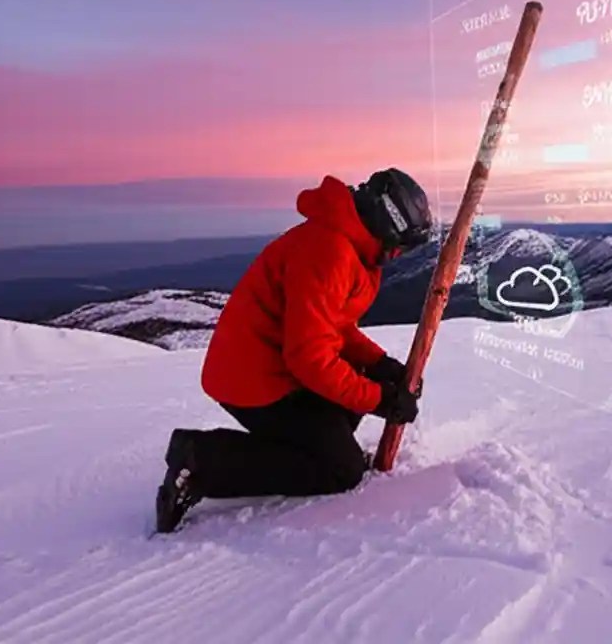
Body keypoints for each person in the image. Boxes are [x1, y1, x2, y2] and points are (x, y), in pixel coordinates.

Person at [155, 168, 434, 534]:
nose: (399, 255)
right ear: (389, 223)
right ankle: (200, 461)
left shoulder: (347, 245)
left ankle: (306, 443)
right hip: (254, 379)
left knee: (341, 414)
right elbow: (308, 357)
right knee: (341, 470)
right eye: (403, 245)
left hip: (272, 366)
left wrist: (380, 365)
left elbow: (330, 327)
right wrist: (379, 399)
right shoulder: (330, 251)